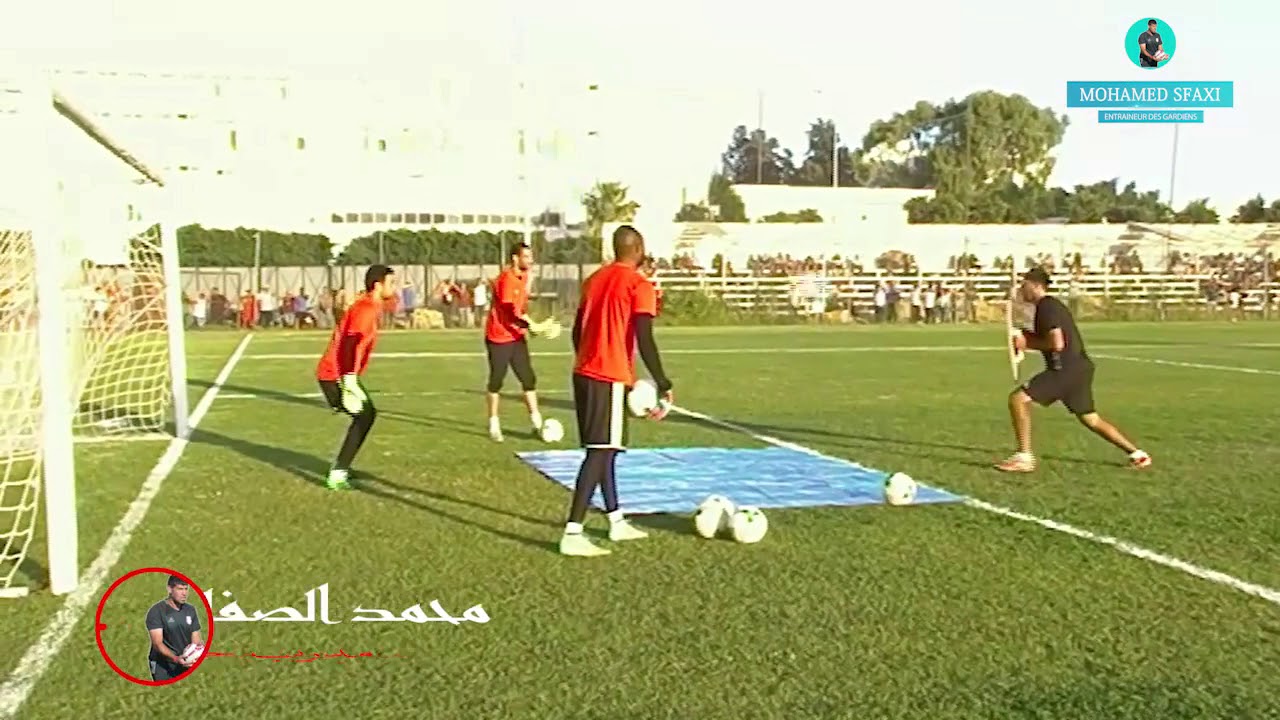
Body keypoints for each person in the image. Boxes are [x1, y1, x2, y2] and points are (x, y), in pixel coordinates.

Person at [561, 225, 673, 557]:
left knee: (605, 449)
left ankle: (615, 520)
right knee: (598, 453)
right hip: (607, 375)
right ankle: (573, 531)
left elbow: (577, 331)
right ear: (638, 248)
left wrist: (587, 358)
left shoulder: (594, 280)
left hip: (585, 372)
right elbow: (645, 337)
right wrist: (663, 382)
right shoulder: (639, 285)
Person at [997, 267, 1152, 472]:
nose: (1021, 289)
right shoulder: (1049, 307)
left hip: (1064, 370)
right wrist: (1024, 338)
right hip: (1079, 369)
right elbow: (1047, 339)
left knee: (1018, 399)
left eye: (1024, 285)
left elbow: (1056, 343)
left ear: (1035, 285)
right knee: (1090, 419)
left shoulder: (1046, 306)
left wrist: (1027, 343)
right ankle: (1138, 455)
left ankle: (1024, 457)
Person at [314, 264, 397, 490]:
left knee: (365, 416)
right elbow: (350, 342)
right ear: (378, 285)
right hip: (334, 374)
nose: (394, 287)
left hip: (340, 373)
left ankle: (341, 469)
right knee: (364, 416)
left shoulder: (370, 306)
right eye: (391, 282)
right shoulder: (366, 308)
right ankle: (338, 473)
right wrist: (348, 380)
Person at [483, 243, 556, 442]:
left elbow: (520, 310)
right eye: (527, 257)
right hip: (498, 337)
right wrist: (532, 325)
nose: (531, 261)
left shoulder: (523, 278)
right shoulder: (506, 279)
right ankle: (494, 425)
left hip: (516, 337)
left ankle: (537, 423)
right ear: (515, 258)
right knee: (496, 381)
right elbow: (509, 311)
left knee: (528, 379)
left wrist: (530, 327)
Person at [145, 575, 203, 682]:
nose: (184, 593)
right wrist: (176, 658)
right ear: (170, 589)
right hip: (163, 666)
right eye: (180, 589)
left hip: (185, 662)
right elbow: (157, 643)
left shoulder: (190, 610)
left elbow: (196, 638)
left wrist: (195, 654)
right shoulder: (157, 611)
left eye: (186, 589)